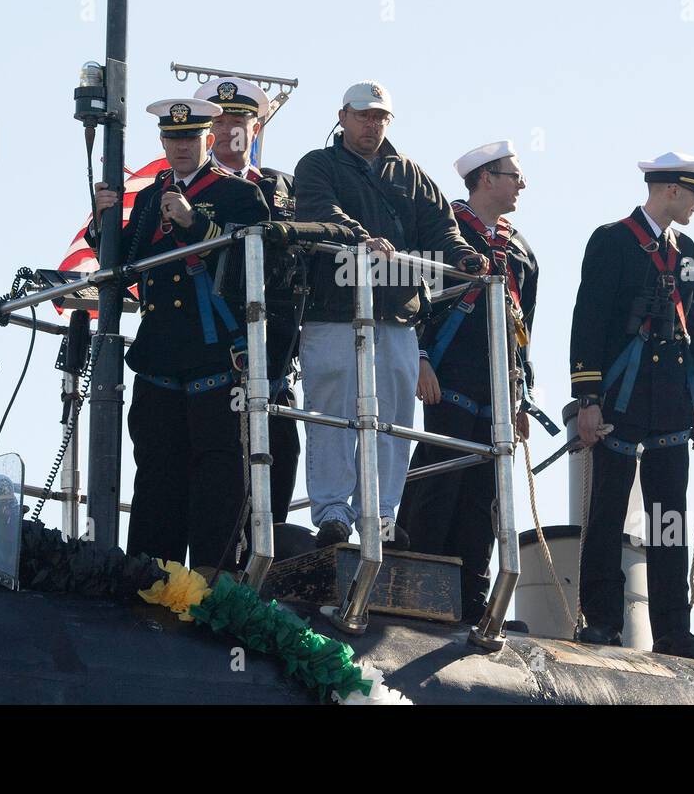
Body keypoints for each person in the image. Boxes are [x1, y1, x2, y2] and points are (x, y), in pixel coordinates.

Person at [293, 80, 488, 548]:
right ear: (342, 117)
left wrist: (463, 256)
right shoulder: (317, 165)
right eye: (363, 115)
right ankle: (333, 514)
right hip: (334, 311)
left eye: (380, 116)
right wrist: (361, 237)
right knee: (332, 415)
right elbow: (320, 208)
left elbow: (442, 228)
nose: (371, 124)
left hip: (398, 315)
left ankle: (378, 514)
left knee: (394, 420)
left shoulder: (412, 176)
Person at [90, 97, 269, 571]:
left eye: (190, 137)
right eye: (172, 137)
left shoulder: (240, 195)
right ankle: (149, 576)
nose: (181, 145)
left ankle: (214, 583)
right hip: (160, 354)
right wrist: (102, 222)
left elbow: (253, 268)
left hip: (213, 354)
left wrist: (195, 222)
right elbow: (121, 266)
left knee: (219, 474)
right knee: (156, 472)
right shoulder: (151, 197)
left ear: (208, 139)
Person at [569, 152, 694, 657]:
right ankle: (603, 619)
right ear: (672, 189)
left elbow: (693, 329)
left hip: (671, 401)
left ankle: (673, 629)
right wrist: (587, 399)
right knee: (608, 511)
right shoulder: (612, 240)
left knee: (668, 517)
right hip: (620, 399)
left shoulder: (688, 249)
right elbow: (587, 321)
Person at [397, 140, 540, 623]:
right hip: (447, 373)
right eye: (513, 175)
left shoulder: (518, 249)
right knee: (441, 479)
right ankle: (419, 590)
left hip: (498, 387)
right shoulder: (445, 231)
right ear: (485, 179)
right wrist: (417, 357)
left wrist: (523, 395)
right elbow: (415, 298)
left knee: (486, 496)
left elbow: (524, 328)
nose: (522, 184)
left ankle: (470, 598)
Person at [195, 76, 301, 517]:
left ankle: (266, 559)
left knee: (281, 450)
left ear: (254, 129)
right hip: (214, 340)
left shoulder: (283, 186)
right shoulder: (188, 188)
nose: (229, 130)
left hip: (275, 340)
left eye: (239, 120)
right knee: (218, 463)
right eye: (219, 122)